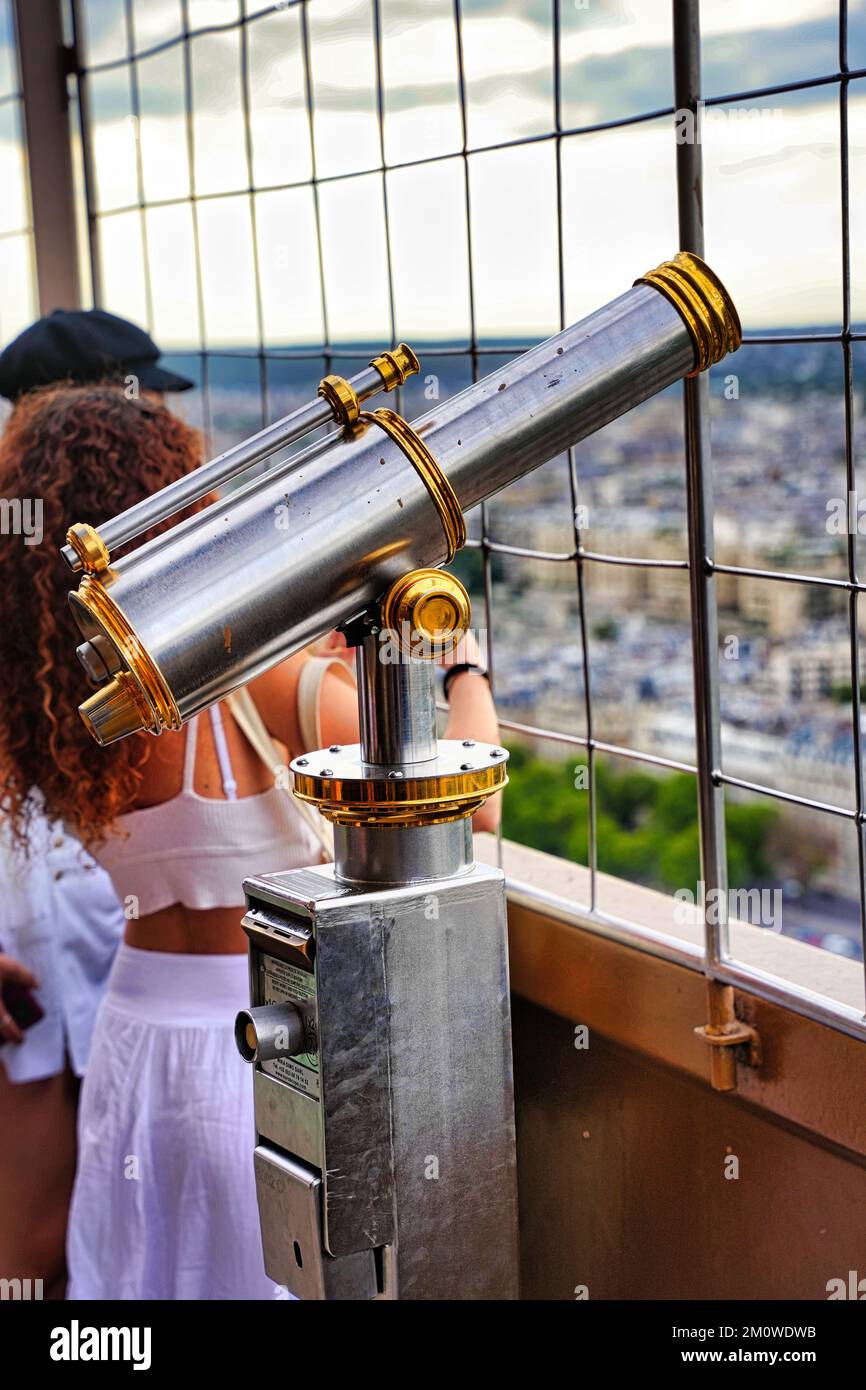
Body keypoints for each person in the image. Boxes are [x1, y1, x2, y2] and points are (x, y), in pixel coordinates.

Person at [0, 378, 501, 1301]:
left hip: (133, 1035)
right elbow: (468, 811)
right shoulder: (245, 677)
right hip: (268, 1046)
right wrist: (456, 651)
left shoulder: (41, 701)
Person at [0, 307, 195, 1298]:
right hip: (40, 971)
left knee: (94, 1249)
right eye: (143, 395)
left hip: (105, 971)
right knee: (39, 1250)